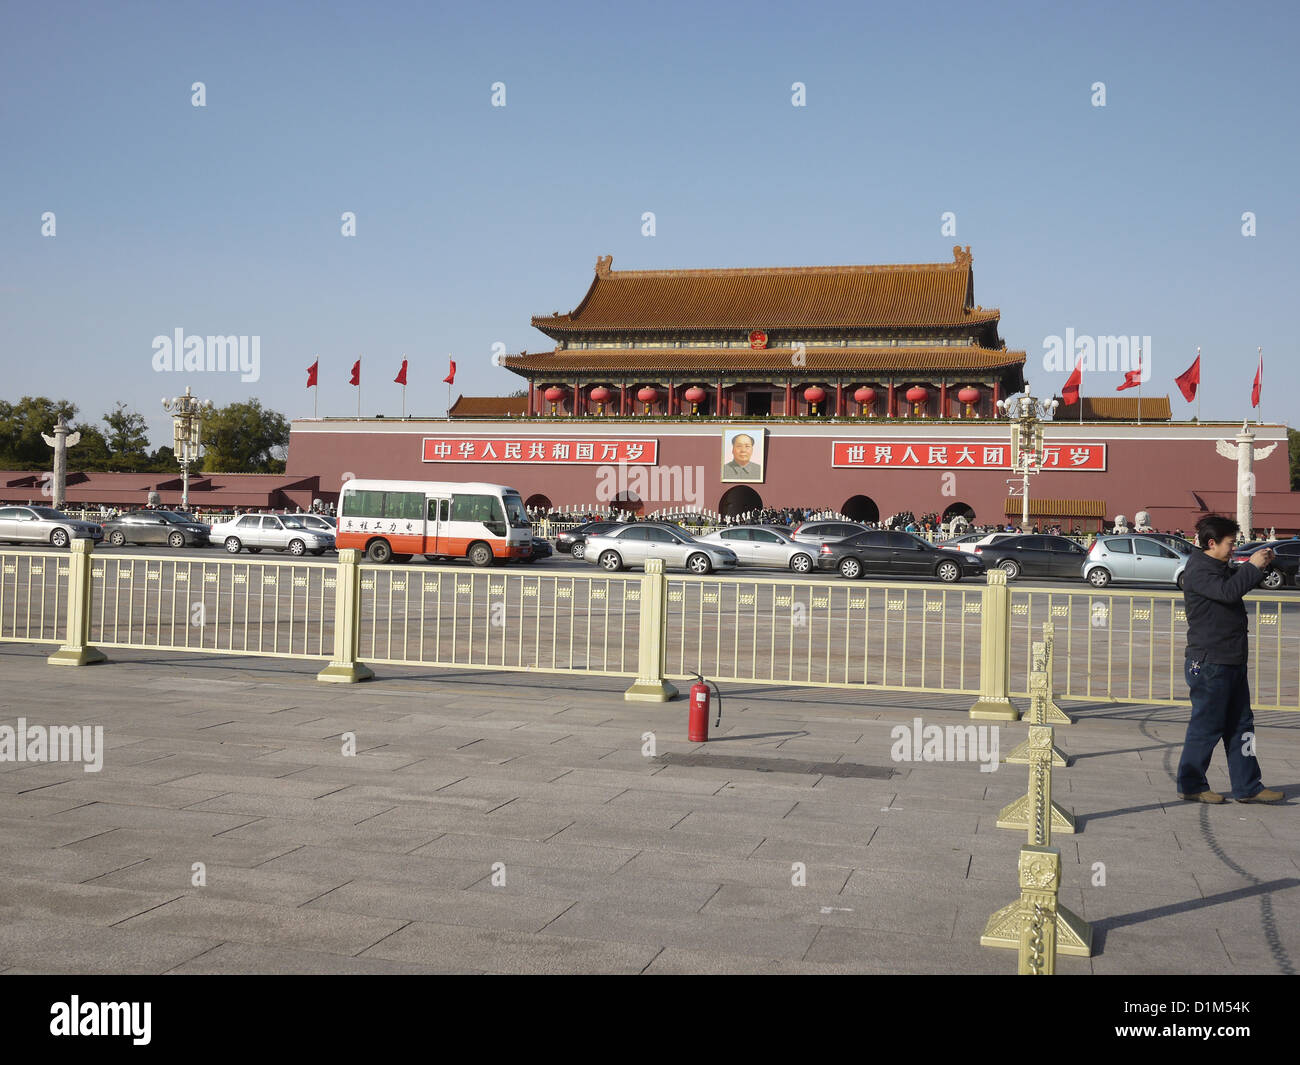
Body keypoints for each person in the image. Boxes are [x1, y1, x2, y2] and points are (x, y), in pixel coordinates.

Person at [1177, 514, 1284, 803]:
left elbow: (1236, 584)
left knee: (1241, 725)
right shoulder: (1199, 570)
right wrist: (1251, 567)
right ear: (1211, 543)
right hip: (1210, 661)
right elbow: (1227, 593)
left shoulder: (1218, 566)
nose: (1233, 548)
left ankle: (1248, 786)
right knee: (1207, 726)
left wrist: (1256, 567)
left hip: (1231, 659)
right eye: (1230, 543)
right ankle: (1192, 784)